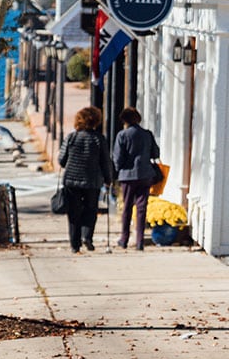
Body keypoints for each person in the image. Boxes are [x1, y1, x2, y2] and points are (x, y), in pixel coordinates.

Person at [59, 106, 114, 254]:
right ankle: (87, 236)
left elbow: (61, 160)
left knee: (73, 213)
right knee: (91, 210)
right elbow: (105, 161)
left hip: (72, 180)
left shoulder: (71, 137)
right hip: (92, 180)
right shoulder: (98, 138)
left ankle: (74, 245)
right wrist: (108, 179)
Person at [112, 106, 161, 250]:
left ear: (124, 120)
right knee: (141, 207)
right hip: (145, 174)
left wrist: (117, 171)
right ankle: (140, 241)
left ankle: (124, 238)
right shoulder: (147, 134)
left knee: (127, 207)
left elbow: (118, 158)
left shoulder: (122, 135)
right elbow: (155, 153)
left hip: (127, 176)